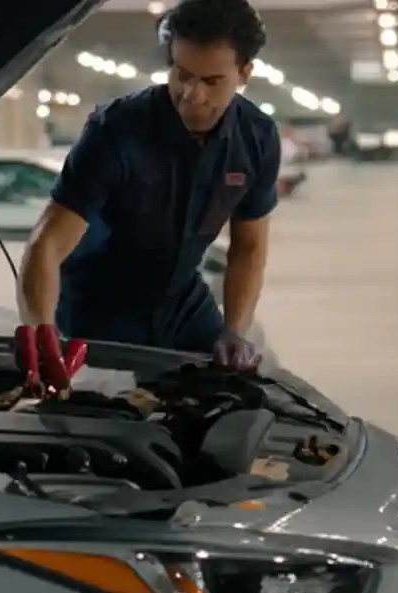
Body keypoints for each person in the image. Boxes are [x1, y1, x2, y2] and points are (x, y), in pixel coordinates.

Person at [16, 0, 279, 386]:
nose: (192, 95)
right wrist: (39, 331)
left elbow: (249, 248)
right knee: (100, 421)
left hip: (183, 304)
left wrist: (235, 330)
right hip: (98, 310)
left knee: (243, 397)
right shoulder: (116, 129)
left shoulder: (256, 137)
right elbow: (48, 243)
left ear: (244, 73)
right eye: (182, 74)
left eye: (211, 82)